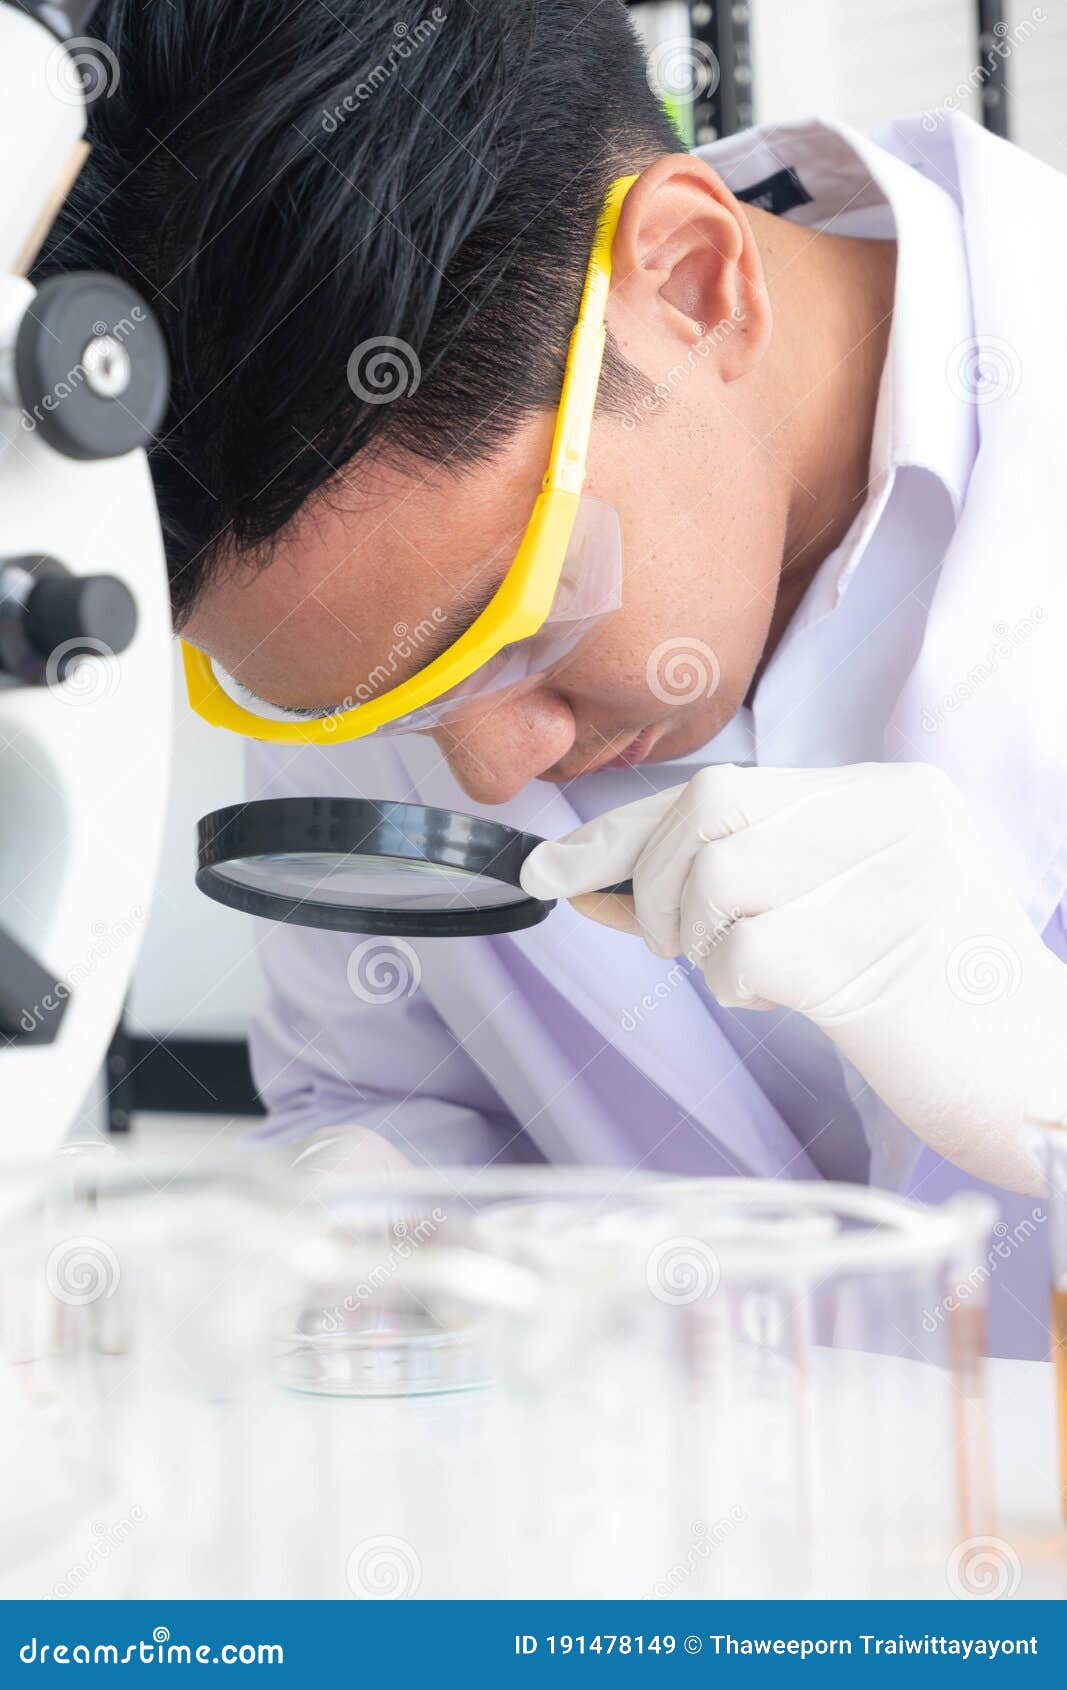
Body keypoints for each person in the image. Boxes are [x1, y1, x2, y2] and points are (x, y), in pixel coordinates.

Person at [37, 0, 1066, 1353]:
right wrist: (366, 1223)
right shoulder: (350, 585)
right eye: (381, 700)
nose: (487, 766)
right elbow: (392, 1096)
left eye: (512, 627)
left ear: (699, 280)